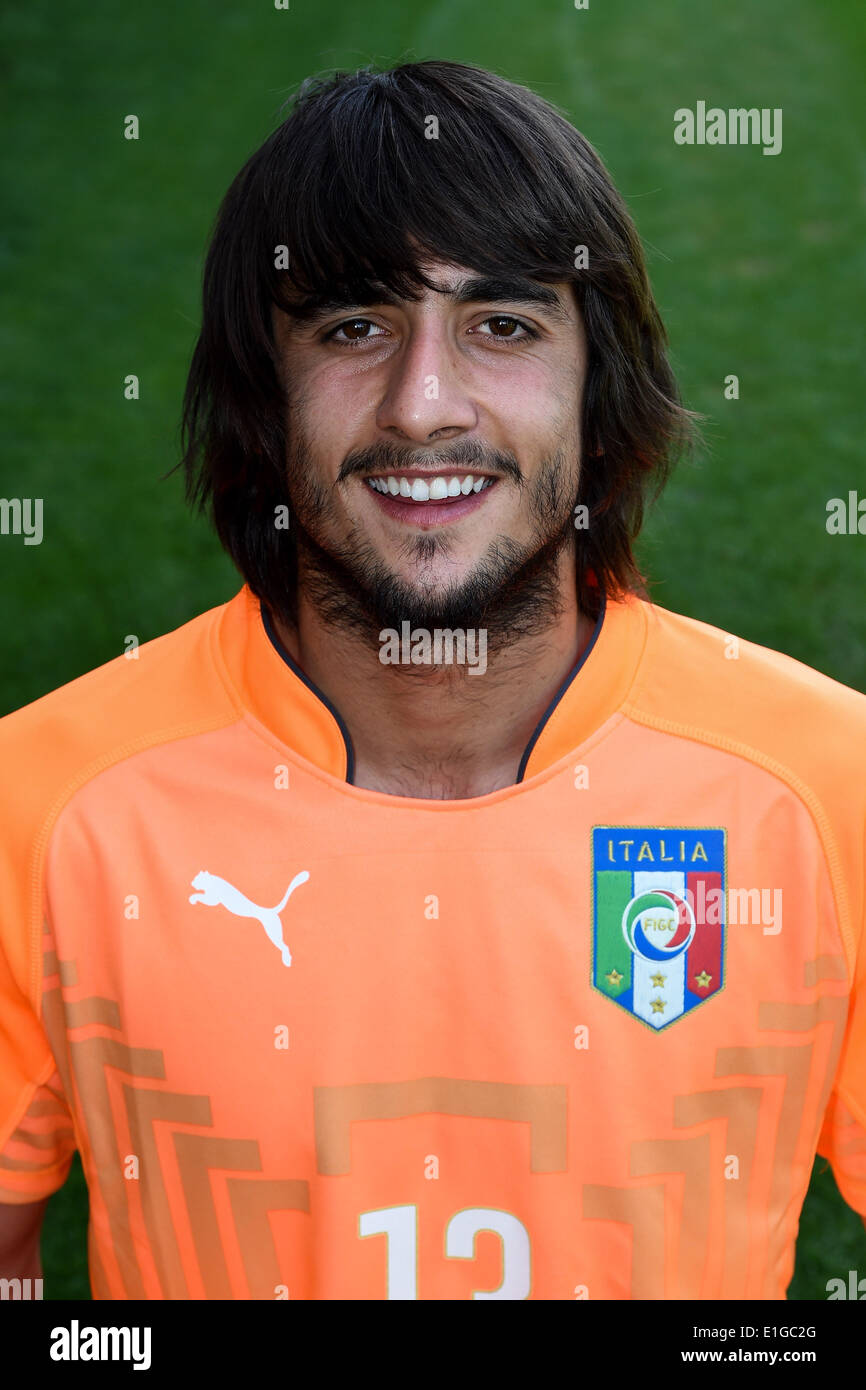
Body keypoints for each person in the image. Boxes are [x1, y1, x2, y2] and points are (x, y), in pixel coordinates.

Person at [1, 59, 863, 1301]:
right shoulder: (40, 800)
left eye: (501, 325)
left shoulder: (829, 790)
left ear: (598, 389)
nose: (422, 404)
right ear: (261, 397)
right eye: (353, 327)